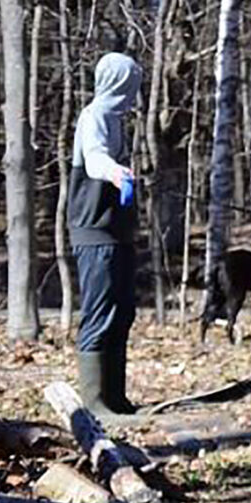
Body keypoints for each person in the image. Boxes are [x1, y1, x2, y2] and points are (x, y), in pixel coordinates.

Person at [68, 52, 143, 420]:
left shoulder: (117, 121)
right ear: (116, 82)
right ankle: (94, 402)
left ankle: (116, 397)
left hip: (119, 233)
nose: (134, 94)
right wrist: (115, 173)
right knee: (99, 313)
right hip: (94, 230)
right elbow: (95, 159)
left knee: (122, 311)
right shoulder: (93, 116)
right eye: (130, 84)